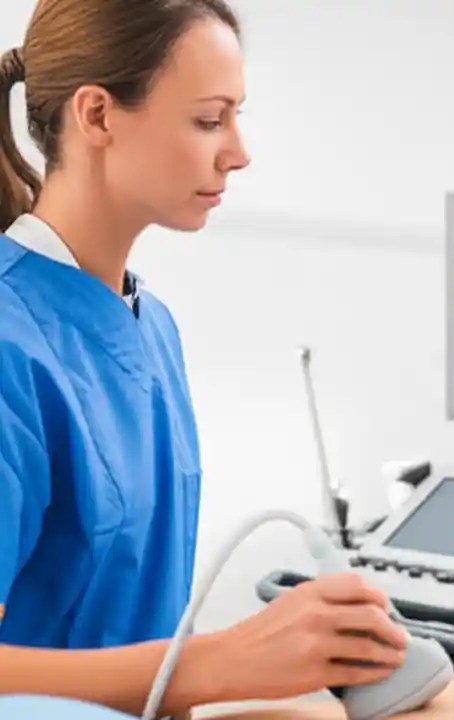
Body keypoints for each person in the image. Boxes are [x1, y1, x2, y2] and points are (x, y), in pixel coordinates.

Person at [0, 1, 411, 716]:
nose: (238, 151)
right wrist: (216, 663)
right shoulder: (11, 341)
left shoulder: (149, 325)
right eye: (209, 119)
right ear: (97, 116)